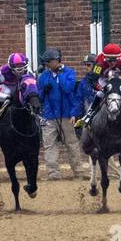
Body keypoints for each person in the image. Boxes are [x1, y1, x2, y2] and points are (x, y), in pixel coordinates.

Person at [37, 49, 86, 179]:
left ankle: (78, 172)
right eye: (45, 62)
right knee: (49, 145)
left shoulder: (69, 72)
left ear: (56, 61)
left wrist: (58, 75)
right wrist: (44, 91)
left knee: (71, 143)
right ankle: (53, 174)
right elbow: (39, 97)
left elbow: (68, 88)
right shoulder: (44, 76)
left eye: (49, 62)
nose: (47, 64)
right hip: (49, 116)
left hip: (66, 115)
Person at [75, 44, 121, 128]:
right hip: (104, 79)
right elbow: (93, 80)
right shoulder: (99, 63)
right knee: (100, 94)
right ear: (105, 58)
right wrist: (101, 89)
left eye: (114, 60)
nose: (112, 63)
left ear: (119, 58)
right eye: (109, 60)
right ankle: (90, 113)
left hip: (119, 79)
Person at [0, 52, 32, 140]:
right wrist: (6, 97)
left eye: (21, 65)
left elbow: (32, 87)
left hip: (21, 89)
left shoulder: (29, 72)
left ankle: (39, 121)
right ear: (11, 66)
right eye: (17, 66)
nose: (20, 69)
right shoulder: (2, 73)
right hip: (6, 89)